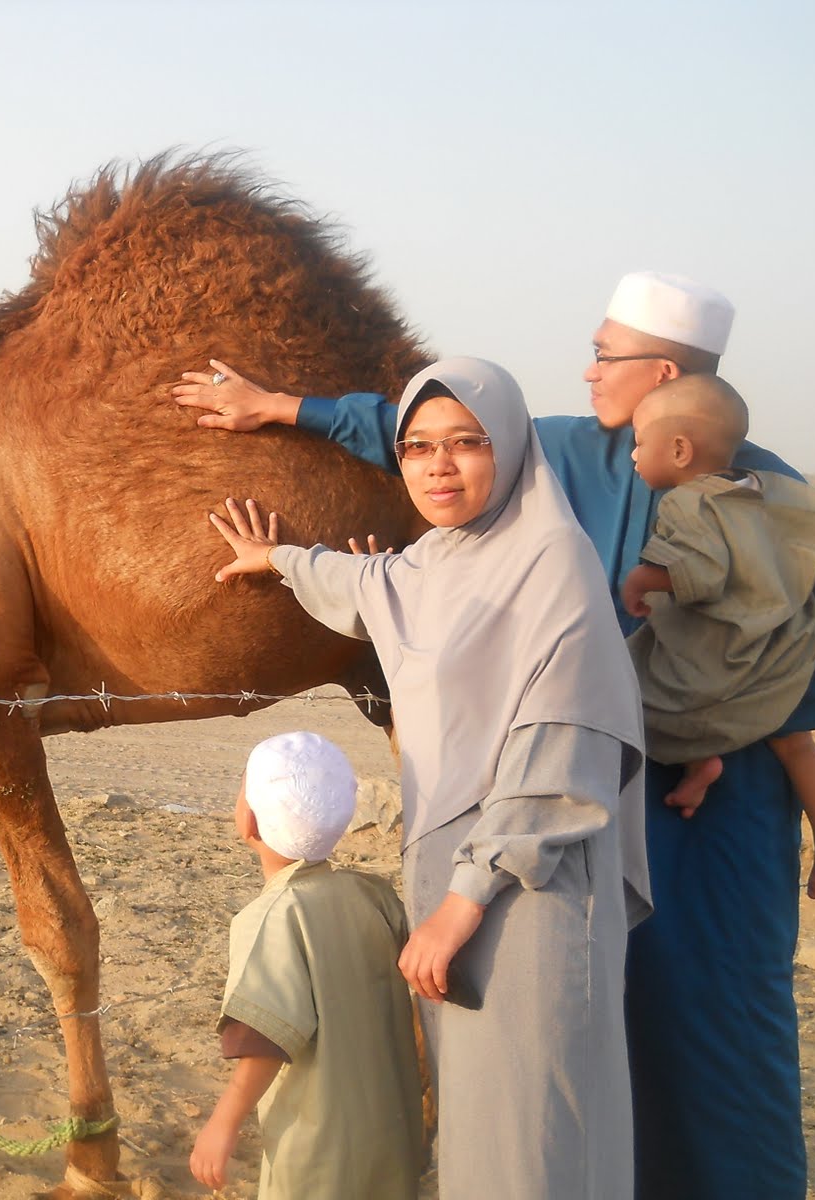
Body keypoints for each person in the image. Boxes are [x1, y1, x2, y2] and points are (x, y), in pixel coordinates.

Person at [173, 271, 815, 1199]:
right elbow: (404, 471)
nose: (585, 372)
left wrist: (702, 721)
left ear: (662, 371)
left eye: (602, 355)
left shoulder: (747, 491)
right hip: (521, 836)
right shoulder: (548, 464)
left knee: (705, 1038)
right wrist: (278, 421)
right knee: (527, 1094)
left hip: (700, 818)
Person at [208, 358, 651, 1200]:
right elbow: (365, 581)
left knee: (535, 1138)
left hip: (528, 896)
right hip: (453, 896)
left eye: (465, 443)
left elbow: (559, 752)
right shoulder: (438, 561)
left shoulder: (551, 562)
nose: (437, 466)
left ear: (512, 447)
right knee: (481, 1136)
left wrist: (460, 906)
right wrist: (280, 558)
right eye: (416, 447)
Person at [622, 374, 815, 897]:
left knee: (633, 696)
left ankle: (700, 757)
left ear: (680, 449)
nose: (633, 455)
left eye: (640, 442)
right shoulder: (764, 492)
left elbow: (703, 572)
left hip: (720, 655)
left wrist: (647, 577)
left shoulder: (687, 504)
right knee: (796, 744)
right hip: (782, 653)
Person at [190, 730, 424, 1198]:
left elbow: (266, 1038)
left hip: (319, 1151)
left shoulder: (269, 918)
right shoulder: (373, 893)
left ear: (249, 819)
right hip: (392, 1130)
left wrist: (222, 1123)